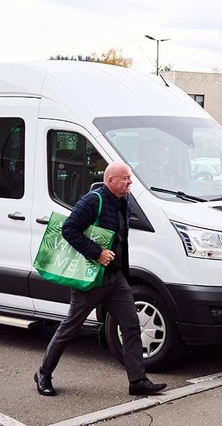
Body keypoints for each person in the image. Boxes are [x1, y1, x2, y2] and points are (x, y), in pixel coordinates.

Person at [35, 162, 167, 397]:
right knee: (70, 328)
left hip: (115, 279)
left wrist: (122, 273)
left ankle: (137, 381)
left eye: (130, 178)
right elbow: (69, 230)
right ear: (111, 181)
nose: (130, 182)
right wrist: (97, 253)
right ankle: (43, 373)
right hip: (90, 280)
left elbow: (121, 240)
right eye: (125, 178)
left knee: (131, 327)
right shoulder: (92, 200)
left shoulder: (123, 202)